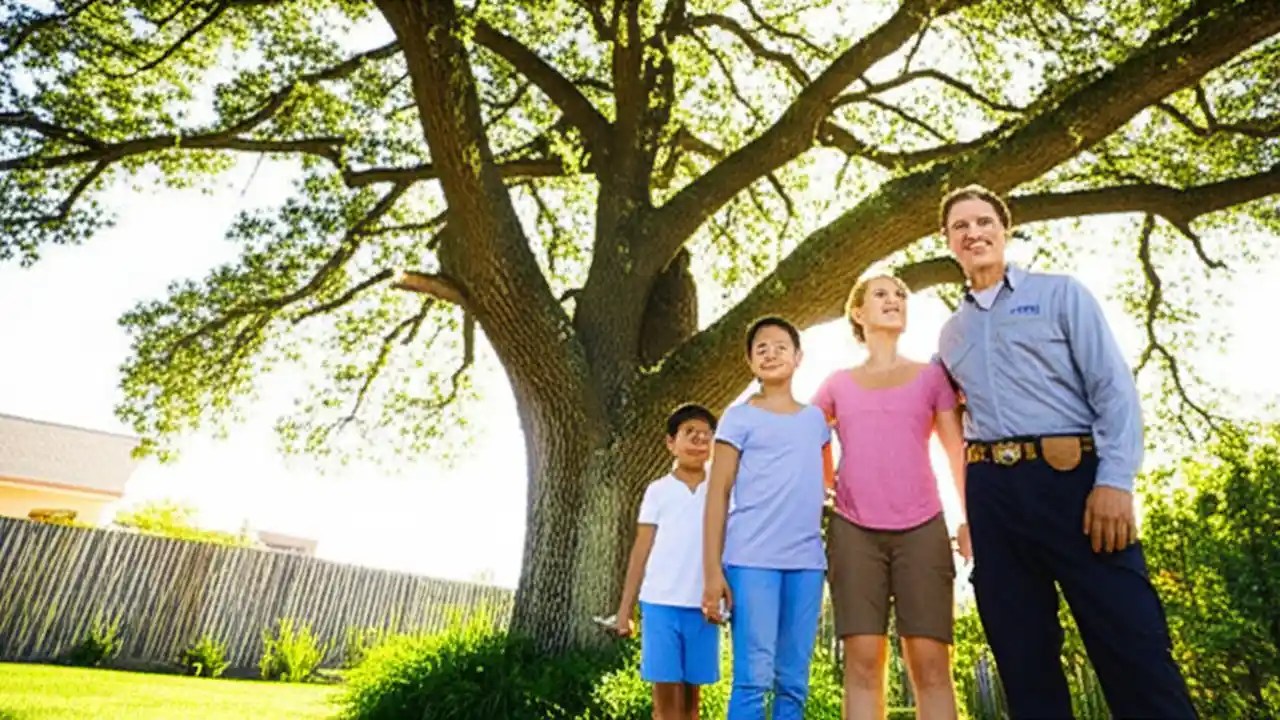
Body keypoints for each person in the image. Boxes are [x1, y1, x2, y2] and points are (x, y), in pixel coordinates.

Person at [936, 184, 1196, 718]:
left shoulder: (1061, 294)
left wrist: (1115, 481)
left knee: (1132, 643)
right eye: (961, 226)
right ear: (948, 242)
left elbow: (1112, 388)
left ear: (1004, 230)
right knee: (1022, 656)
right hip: (993, 497)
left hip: (1075, 484)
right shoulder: (949, 333)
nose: (974, 232)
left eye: (984, 221)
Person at [812, 274, 970, 720]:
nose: (894, 299)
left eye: (900, 294)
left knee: (931, 663)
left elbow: (957, 452)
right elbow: (806, 437)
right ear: (858, 314)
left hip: (923, 529)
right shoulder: (836, 384)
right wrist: (829, 484)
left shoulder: (931, 377)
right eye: (881, 293)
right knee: (863, 663)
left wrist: (969, 518)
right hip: (853, 532)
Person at [702, 316, 831, 720]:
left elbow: (829, 485)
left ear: (798, 357)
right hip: (750, 559)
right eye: (761, 348)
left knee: (793, 683)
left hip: (807, 563)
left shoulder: (816, 422)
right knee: (753, 679)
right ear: (750, 362)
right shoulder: (737, 418)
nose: (771, 353)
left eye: (780, 346)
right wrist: (712, 573)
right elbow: (717, 495)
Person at [613, 403, 722, 720]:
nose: (699, 441)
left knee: (691, 704)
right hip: (660, 604)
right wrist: (625, 610)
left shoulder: (720, 491)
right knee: (665, 703)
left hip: (703, 606)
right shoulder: (658, 491)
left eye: (706, 435)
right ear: (671, 442)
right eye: (690, 434)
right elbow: (641, 549)